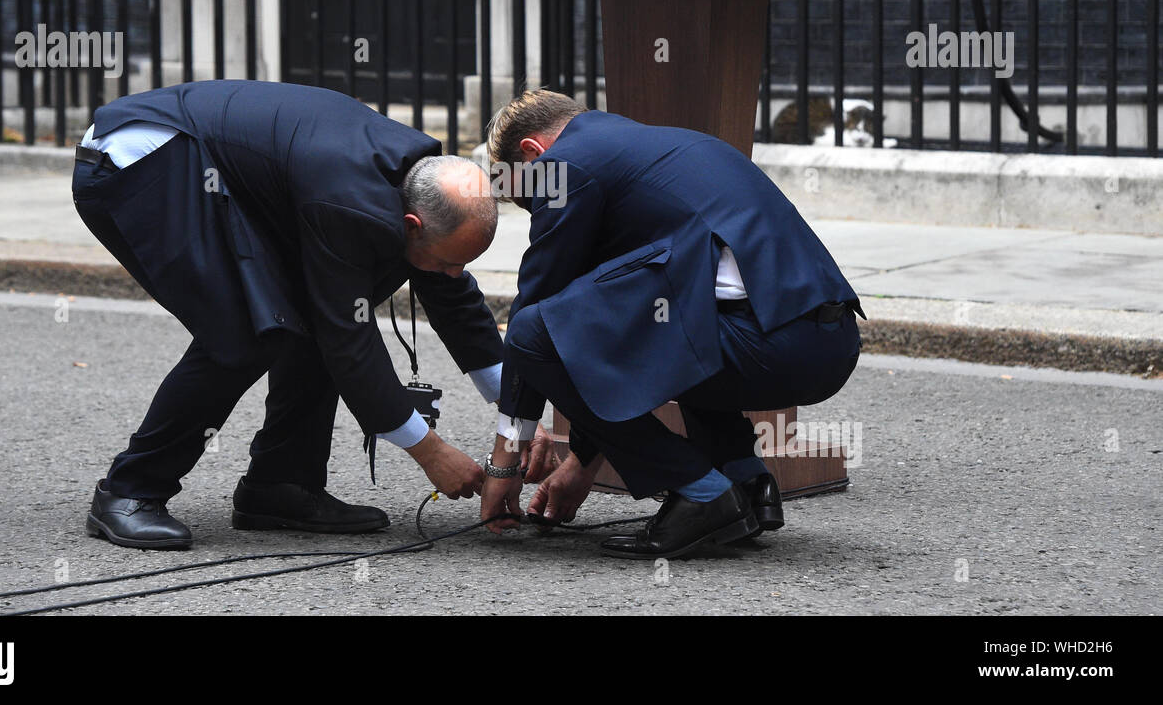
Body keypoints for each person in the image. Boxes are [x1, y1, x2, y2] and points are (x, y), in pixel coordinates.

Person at [72, 79, 538, 550]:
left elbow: (454, 302)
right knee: (240, 337)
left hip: (214, 165)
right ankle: (128, 491)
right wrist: (430, 452)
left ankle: (281, 486)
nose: (453, 274)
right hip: (142, 159)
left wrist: (522, 412)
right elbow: (349, 339)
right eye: (447, 261)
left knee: (306, 319)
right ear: (411, 225)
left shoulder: (421, 188)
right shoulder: (350, 204)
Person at [477, 89, 864, 559]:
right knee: (668, 316)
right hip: (830, 342)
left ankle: (703, 494)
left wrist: (505, 460)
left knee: (532, 332)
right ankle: (745, 482)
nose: (536, 207)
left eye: (529, 197)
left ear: (532, 153)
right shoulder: (659, 147)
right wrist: (583, 461)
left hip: (767, 347)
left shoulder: (569, 165)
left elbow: (535, 315)